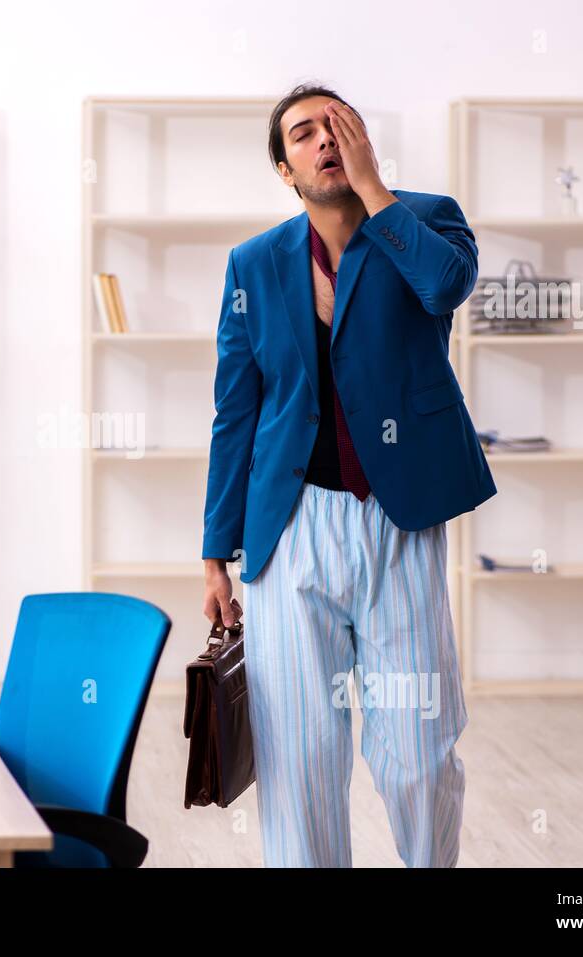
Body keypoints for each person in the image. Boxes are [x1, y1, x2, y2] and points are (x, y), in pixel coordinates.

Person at [200, 83, 497, 867]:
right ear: (283, 167)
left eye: (339, 126)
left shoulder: (425, 219)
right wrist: (213, 554)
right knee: (299, 762)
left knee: (420, 754)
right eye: (303, 133)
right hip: (288, 532)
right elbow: (236, 413)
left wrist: (375, 191)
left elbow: (445, 287)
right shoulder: (254, 264)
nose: (325, 140)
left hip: (397, 522)